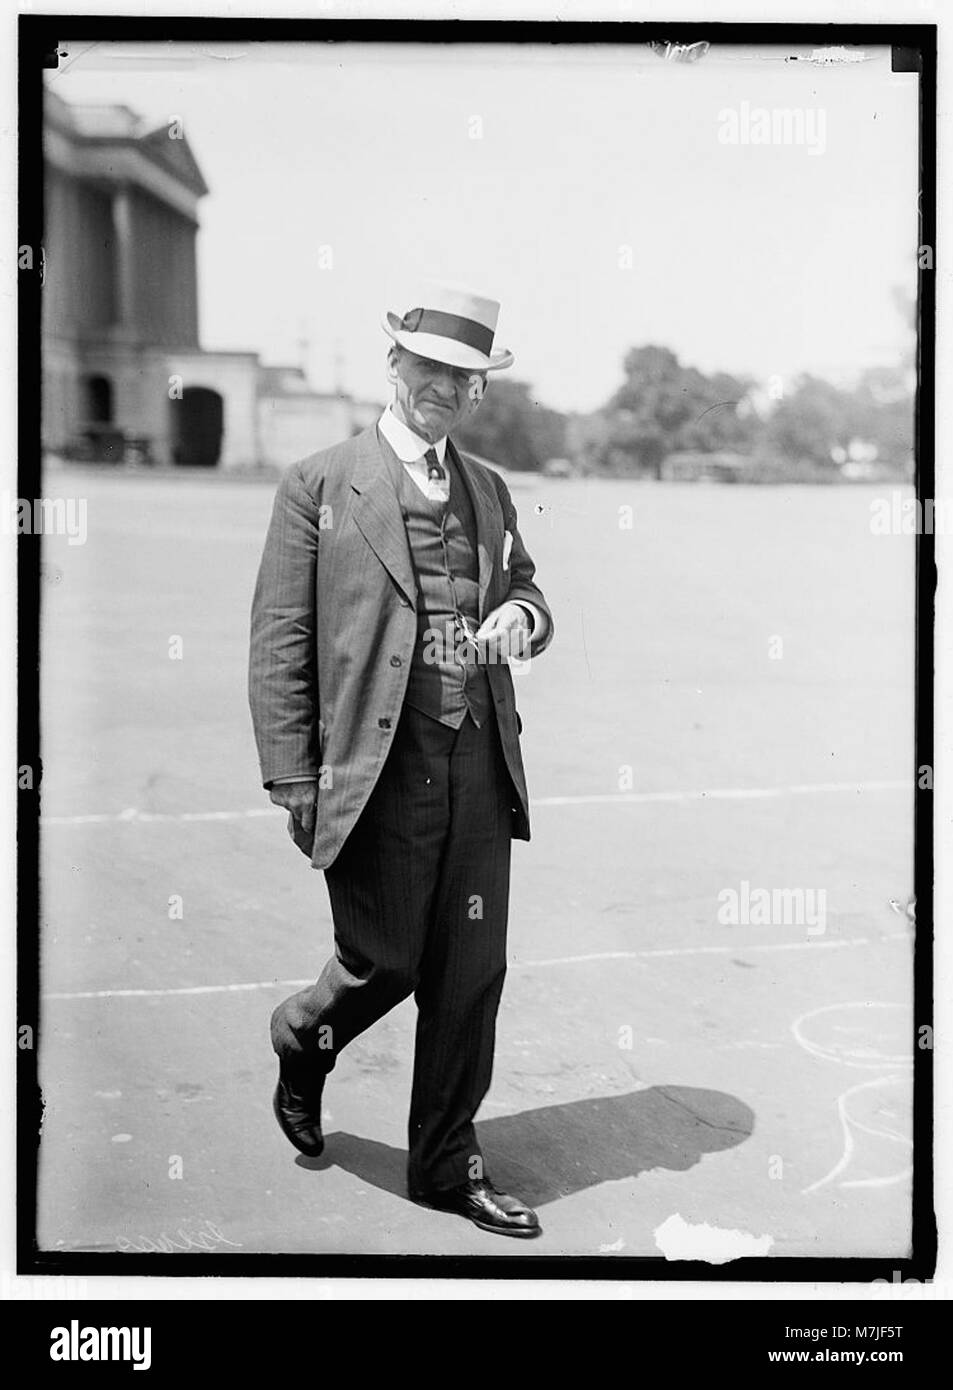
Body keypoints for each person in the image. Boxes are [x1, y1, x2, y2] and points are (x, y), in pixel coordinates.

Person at [248, 280, 554, 1237]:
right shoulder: (319, 484)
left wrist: (521, 618)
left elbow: (533, 594)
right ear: (393, 365)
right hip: (374, 773)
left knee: (469, 973)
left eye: (461, 377)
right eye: (427, 366)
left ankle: (446, 1166)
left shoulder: (490, 490)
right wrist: (296, 780)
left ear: (477, 393)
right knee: (381, 958)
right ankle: (306, 1035)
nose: (440, 387)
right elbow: (280, 639)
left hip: (476, 766)